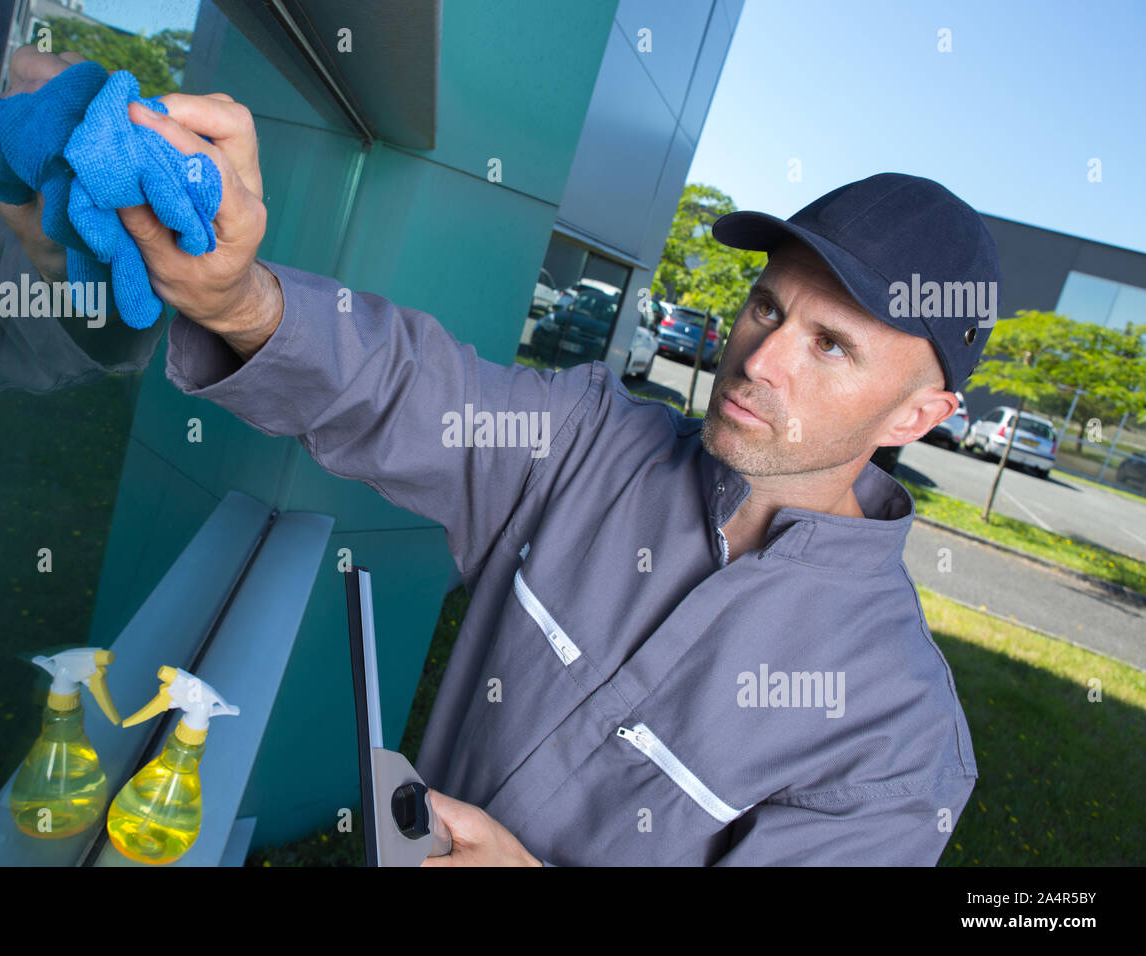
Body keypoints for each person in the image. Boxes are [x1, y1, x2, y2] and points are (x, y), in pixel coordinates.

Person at [109, 92, 995, 865]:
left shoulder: (897, 741)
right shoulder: (589, 443)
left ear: (919, 417)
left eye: (830, 346)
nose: (761, 360)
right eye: (768, 306)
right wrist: (236, 299)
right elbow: (402, 386)